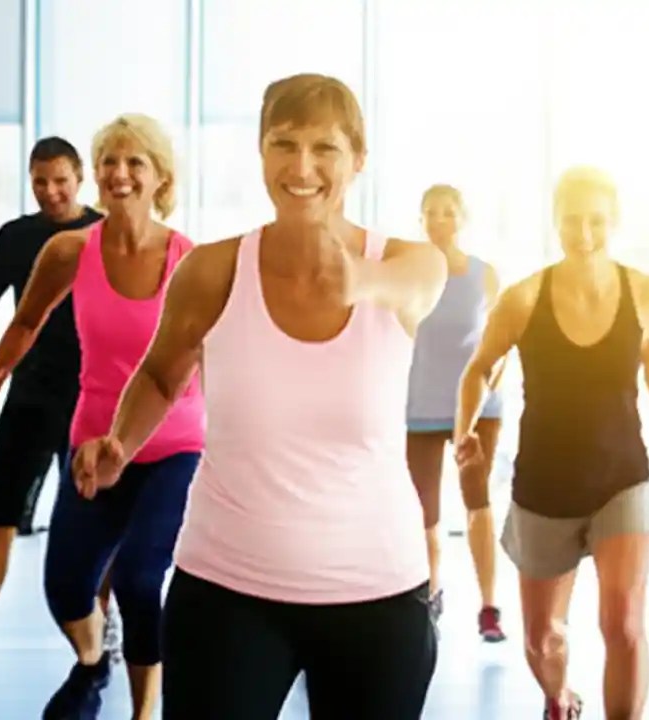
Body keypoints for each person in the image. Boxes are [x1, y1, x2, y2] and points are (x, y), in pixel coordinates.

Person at [71, 74, 445, 719]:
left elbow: (414, 288)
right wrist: (121, 442)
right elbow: (163, 374)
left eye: (324, 148)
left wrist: (359, 280)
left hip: (376, 593)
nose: (302, 167)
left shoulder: (409, 263)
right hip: (226, 589)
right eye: (284, 144)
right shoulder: (213, 270)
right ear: (262, 153)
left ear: (357, 159)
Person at [0, 115, 202, 720]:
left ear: (161, 177)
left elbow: (209, 361)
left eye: (135, 163)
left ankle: (144, 711)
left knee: (136, 576)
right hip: (92, 442)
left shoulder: (190, 261)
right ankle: (93, 662)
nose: (119, 174)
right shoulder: (70, 250)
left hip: (172, 446)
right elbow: (25, 321)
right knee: (67, 587)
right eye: (109, 161)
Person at [454, 165, 649, 720]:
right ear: (556, 223)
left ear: (614, 221)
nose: (584, 233)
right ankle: (559, 697)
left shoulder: (644, 290)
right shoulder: (525, 297)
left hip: (624, 476)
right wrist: (465, 430)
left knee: (622, 621)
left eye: (596, 221)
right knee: (541, 639)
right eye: (572, 221)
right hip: (544, 486)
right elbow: (481, 367)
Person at [0, 137, 116, 670]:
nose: (51, 191)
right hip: (30, 397)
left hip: (94, 398)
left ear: (79, 178)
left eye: (60, 180)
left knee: (95, 525)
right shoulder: (15, 236)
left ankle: (104, 631)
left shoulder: (106, 233)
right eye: (40, 181)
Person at [406, 183, 506, 642]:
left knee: (477, 502)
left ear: (462, 218)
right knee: (425, 512)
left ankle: (489, 607)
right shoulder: (409, 271)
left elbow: (501, 345)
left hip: (477, 408)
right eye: (431, 213)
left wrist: (487, 392)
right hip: (422, 404)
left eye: (448, 212)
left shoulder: (485, 275)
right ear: (421, 220)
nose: (439, 220)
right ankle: (431, 594)